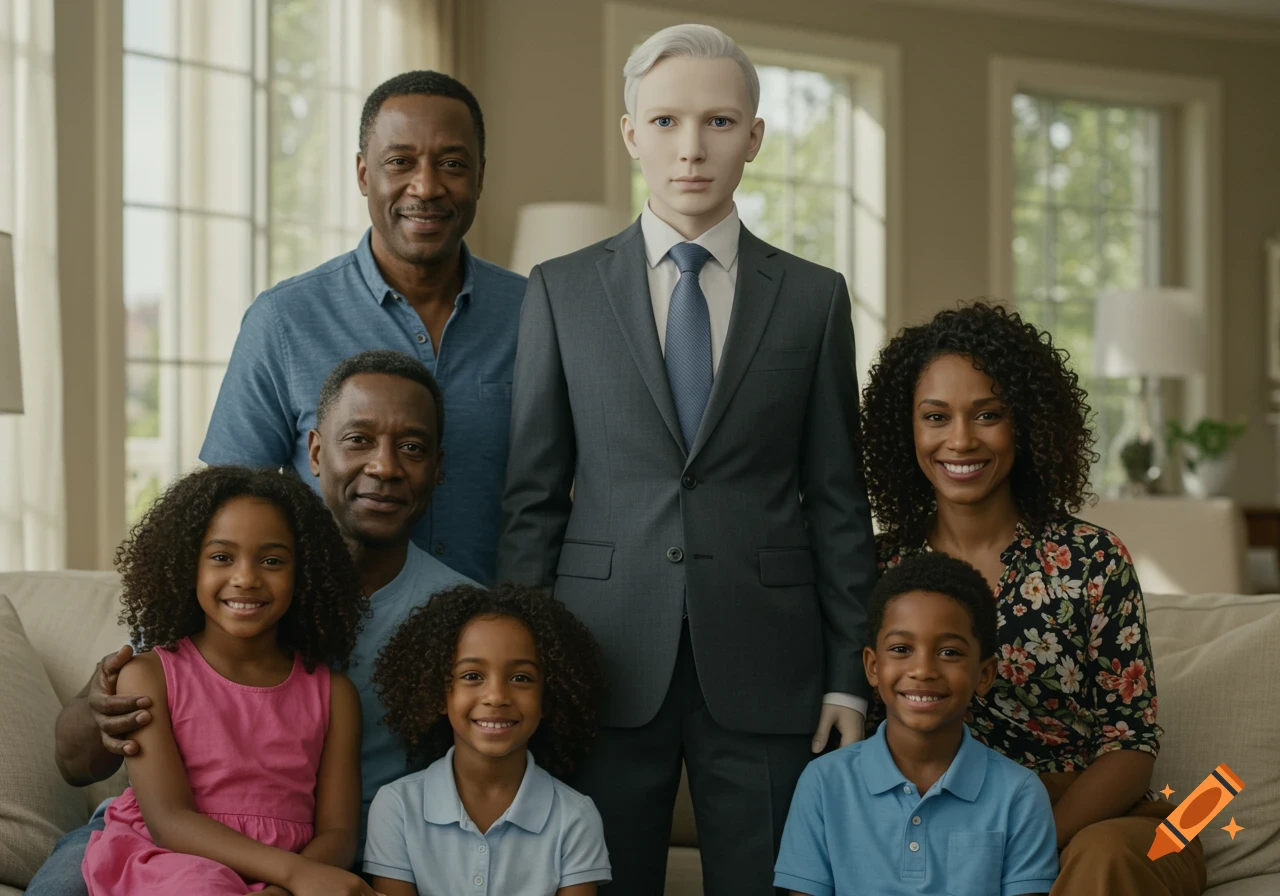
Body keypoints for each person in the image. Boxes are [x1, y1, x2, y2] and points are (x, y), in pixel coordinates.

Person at [497, 23, 877, 896]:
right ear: (631, 134)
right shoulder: (561, 290)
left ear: (753, 137)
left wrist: (847, 678)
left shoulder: (814, 299)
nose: (691, 149)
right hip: (598, 656)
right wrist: (525, 668)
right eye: (665, 123)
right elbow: (534, 500)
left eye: (717, 122)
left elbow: (836, 499)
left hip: (769, 661)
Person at [33, 350, 470, 895]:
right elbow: (81, 764)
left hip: (319, 855)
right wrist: (98, 706)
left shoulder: (461, 616)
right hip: (165, 849)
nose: (383, 466)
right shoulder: (178, 638)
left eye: (410, 447)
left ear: (437, 465)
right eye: (357, 440)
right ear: (315, 451)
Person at [860, 301, 1206, 895]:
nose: (961, 440)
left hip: (1101, 823)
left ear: (1027, 424)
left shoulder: (1092, 559)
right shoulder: (877, 568)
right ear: (905, 430)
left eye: (988, 414)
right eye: (935, 416)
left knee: (1100, 858)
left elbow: (1130, 743)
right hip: (942, 823)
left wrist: (1023, 840)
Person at [201, 70, 525, 586]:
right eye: (400, 162)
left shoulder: (536, 314)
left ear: (480, 177)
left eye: (452, 164)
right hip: (330, 645)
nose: (426, 186)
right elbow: (221, 512)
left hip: (496, 648)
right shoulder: (284, 319)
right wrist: (150, 649)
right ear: (362, 174)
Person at [79, 466, 376, 896]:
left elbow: (338, 833)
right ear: (186, 566)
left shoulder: (334, 694)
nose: (246, 578)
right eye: (221, 557)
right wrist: (292, 876)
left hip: (293, 870)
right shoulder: (148, 676)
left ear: (304, 573)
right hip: (175, 862)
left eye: (272, 560)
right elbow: (169, 821)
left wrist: (287, 885)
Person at [774, 552, 1058, 896]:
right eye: (901, 648)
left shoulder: (1019, 794)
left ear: (984, 675)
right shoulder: (824, 783)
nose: (922, 669)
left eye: (949, 652)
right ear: (872, 666)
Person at [363, 583, 611, 895]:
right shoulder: (397, 807)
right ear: (438, 694)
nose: (496, 697)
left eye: (520, 678)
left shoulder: (575, 816)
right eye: (472, 676)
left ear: (548, 698)